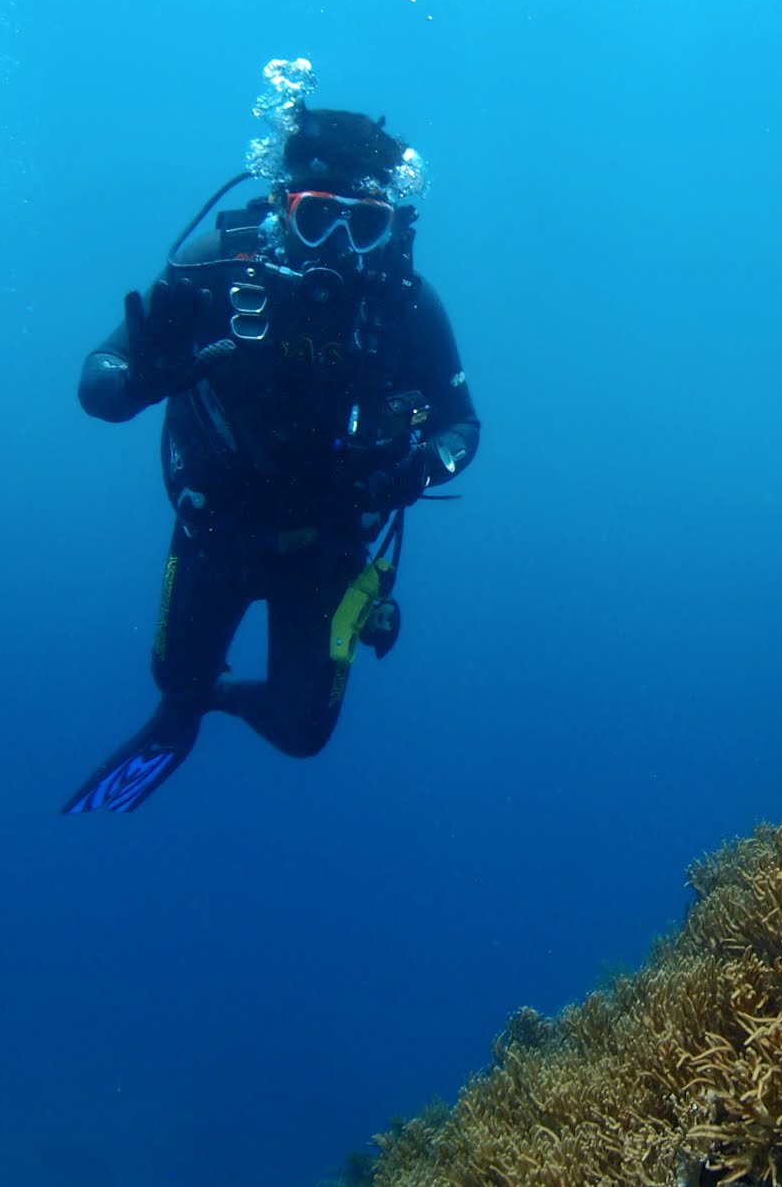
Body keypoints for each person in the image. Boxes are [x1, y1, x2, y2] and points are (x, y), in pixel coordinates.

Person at [62, 97, 479, 814]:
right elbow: (98, 380)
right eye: (318, 217)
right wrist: (138, 380)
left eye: (366, 223)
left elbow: (461, 426)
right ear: (282, 205)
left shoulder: (403, 303)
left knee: (302, 731)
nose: (340, 245)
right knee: (173, 678)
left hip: (330, 541)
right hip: (217, 525)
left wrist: (417, 468)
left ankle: (210, 700)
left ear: (391, 225)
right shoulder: (215, 268)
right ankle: (189, 702)